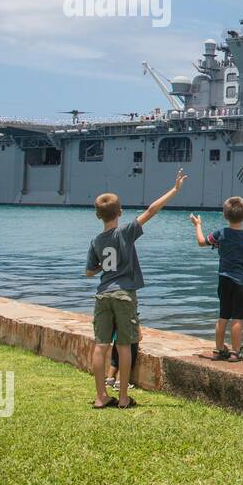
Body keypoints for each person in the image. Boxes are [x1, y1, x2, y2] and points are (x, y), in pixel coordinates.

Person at [84, 169, 187, 409]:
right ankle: (122, 398)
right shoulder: (126, 231)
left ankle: (100, 396)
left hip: (103, 293)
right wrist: (175, 189)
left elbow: (90, 271)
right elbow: (151, 210)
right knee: (124, 345)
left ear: (98, 215)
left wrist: (103, 265)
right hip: (124, 294)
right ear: (120, 212)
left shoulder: (96, 241)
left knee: (101, 345)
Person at [189, 197, 243, 361]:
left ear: (224, 215)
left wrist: (198, 225)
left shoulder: (221, 234)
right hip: (241, 282)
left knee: (223, 316)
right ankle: (236, 352)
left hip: (224, 279)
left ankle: (219, 349)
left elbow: (201, 242)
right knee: (237, 318)